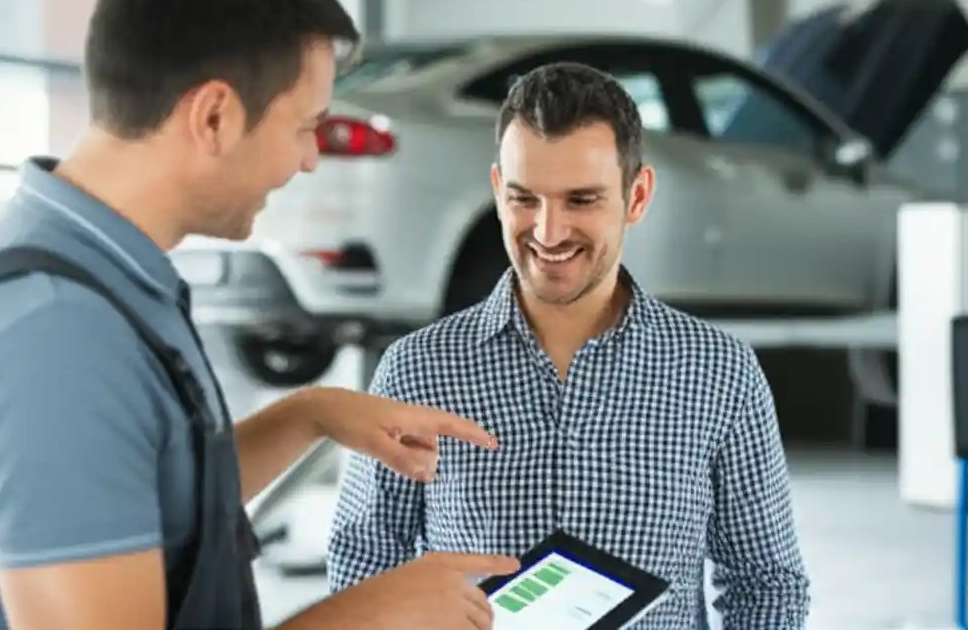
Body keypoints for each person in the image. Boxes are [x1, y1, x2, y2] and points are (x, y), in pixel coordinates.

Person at [0, 0, 516, 630]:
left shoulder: (103, 276)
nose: (309, 161)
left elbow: (158, 499)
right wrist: (367, 616)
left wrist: (309, 415)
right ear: (217, 117)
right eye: (304, 127)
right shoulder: (53, 341)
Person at [328, 62, 812, 628]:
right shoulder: (418, 371)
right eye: (524, 198)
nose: (548, 232)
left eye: (581, 200)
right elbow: (364, 566)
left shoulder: (719, 374)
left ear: (637, 196)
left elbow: (768, 587)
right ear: (496, 190)